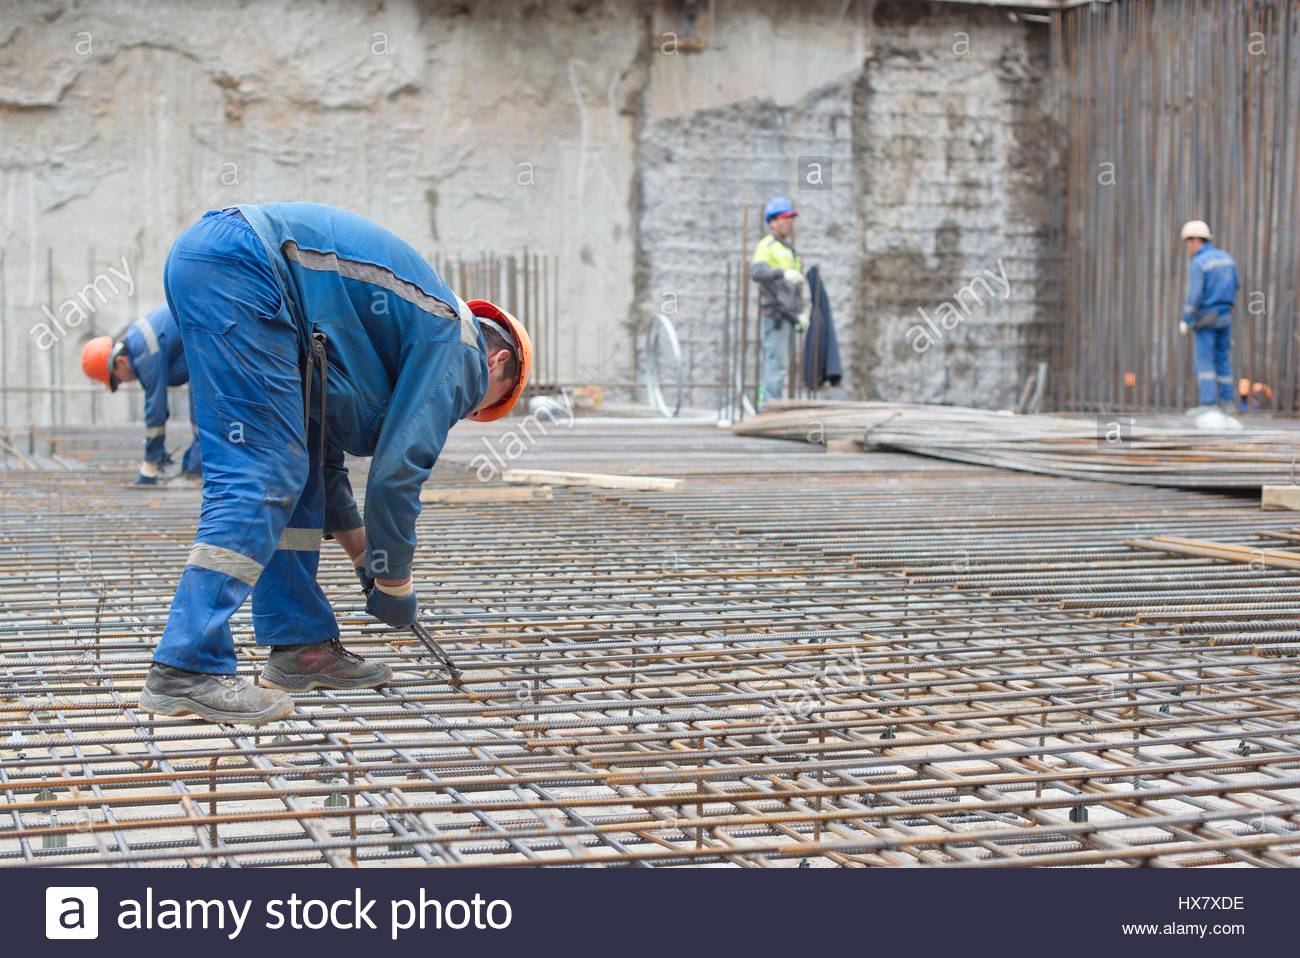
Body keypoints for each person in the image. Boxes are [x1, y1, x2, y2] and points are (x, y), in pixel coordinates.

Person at [138, 203, 531, 725]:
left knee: (293, 469)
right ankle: (185, 667)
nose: (468, 410)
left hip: (227, 264)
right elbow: (396, 476)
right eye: (483, 403)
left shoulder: (393, 333)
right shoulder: (458, 344)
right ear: (498, 362)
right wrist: (394, 584)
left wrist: (364, 555)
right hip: (244, 264)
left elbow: (322, 458)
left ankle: (301, 648)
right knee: (261, 471)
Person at [80, 306, 202, 483]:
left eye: (117, 380)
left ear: (120, 362)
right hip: (204, 343)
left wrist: (150, 465)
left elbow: (156, 410)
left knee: (203, 415)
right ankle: (194, 469)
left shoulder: (145, 353)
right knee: (202, 414)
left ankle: (195, 472)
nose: (123, 383)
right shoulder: (138, 339)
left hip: (213, 340)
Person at [750, 196, 808, 407]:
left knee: (782, 365)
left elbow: (793, 290)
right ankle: (768, 410)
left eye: (791, 218)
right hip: (775, 315)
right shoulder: (768, 245)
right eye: (784, 218)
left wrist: (800, 313)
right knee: (775, 364)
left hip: (788, 316)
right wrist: (783, 273)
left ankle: (772, 406)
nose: (789, 222)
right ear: (772, 221)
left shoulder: (789, 250)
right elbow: (757, 272)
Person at [1178, 220, 1239, 414]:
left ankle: (1209, 404)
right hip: (1225, 315)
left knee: (1204, 360)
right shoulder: (1227, 258)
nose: (1188, 246)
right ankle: (1228, 403)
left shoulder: (1199, 262)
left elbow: (1194, 295)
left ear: (1196, 240)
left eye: (1188, 242)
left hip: (1206, 317)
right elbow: (1237, 284)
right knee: (1222, 358)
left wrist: (1186, 318)